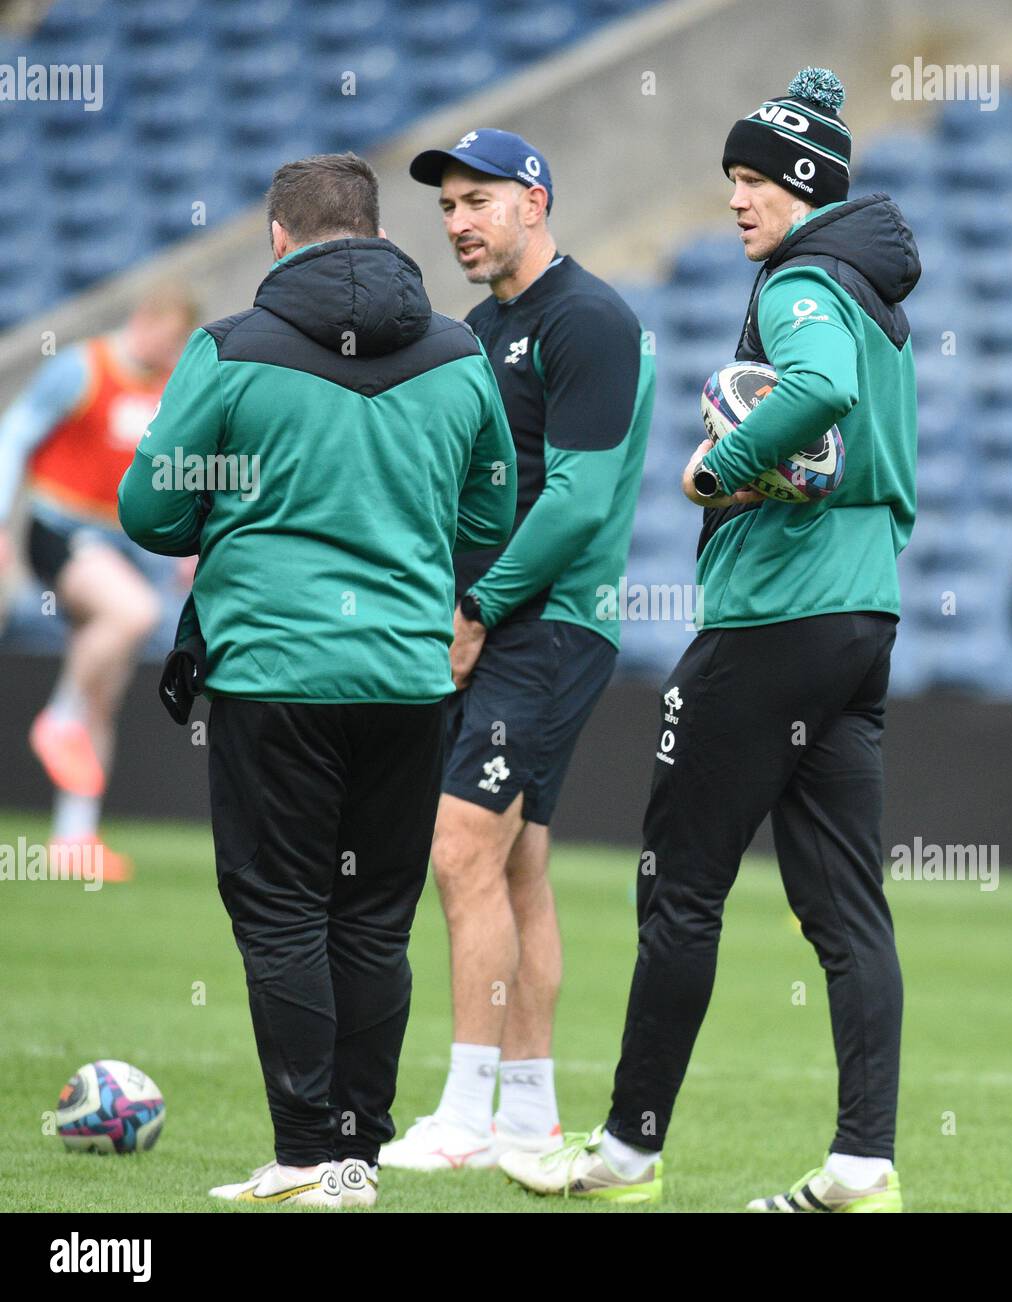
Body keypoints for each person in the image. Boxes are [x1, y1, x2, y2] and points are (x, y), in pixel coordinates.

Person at [499, 67, 919, 1212]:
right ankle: (860, 1164)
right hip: (861, 619)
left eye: (752, 180)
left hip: (770, 621)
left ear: (801, 188)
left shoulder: (798, 284)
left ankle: (628, 1152)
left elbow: (816, 391)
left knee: (678, 889)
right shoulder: (880, 298)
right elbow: (870, 432)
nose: (736, 201)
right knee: (844, 907)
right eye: (729, 180)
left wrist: (718, 465)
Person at [117, 152, 516, 1208]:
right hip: (405, 678)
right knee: (374, 918)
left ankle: (301, 1156)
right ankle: (354, 1157)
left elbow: (150, 511)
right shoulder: (458, 353)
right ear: (384, 235)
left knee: (283, 908)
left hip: (276, 673)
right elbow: (488, 517)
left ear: (279, 237)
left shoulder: (232, 349)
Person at [380, 129, 655, 1172]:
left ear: (533, 200)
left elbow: (580, 500)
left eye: (477, 200)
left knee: (457, 851)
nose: (457, 222)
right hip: (500, 620)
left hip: (543, 625)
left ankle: (459, 1114)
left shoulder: (589, 319)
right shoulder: (478, 328)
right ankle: (528, 1117)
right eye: (447, 206)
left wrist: (480, 607)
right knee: (518, 867)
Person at [0, 286, 199, 881]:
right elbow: (15, 436)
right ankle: (57, 718)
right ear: (144, 318)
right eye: (163, 339)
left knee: (103, 693)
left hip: (122, 545)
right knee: (134, 614)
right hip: (61, 531)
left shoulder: (168, 388)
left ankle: (73, 838)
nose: (166, 353)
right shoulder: (83, 368)